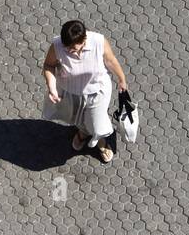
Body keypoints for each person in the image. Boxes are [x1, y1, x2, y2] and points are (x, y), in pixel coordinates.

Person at [42, 20, 132, 164]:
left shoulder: (98, 41)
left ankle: (100, 141)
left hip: (97, 91)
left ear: (84, 39)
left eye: (76, 49)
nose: (72, 52)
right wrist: (52, 87)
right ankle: (83, 132)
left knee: (97, 124)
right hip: (71, 93)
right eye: (69, 49)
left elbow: (111, 61)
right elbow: (48, 65)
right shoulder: (57, 45)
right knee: (76, 118)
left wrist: (122, 79)